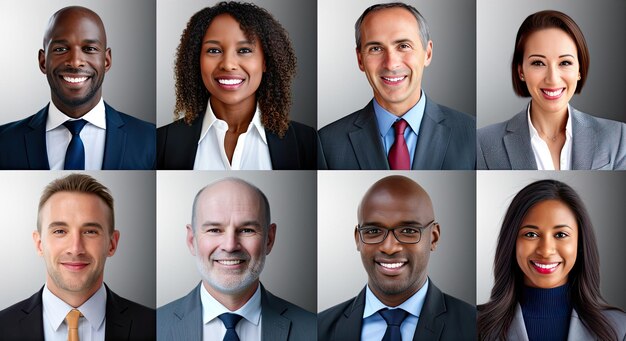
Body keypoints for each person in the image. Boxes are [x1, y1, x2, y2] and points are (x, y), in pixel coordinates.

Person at [157, 1, 317, 170]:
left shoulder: (306, 141)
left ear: (265, 61)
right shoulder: (162, 141)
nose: (228, 64)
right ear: (197, 60)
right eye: (214, 50)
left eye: (244, 50)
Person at [318, 3, 475, 170]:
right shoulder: (327, 143)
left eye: (403, 46)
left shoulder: (472, 133)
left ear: (427, 53)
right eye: (376, 48)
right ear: (360, 60)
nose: (391, 64)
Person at [318, 175, 475, 340]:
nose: (389, 247)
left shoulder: (473, 325)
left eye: (408, 231)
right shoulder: (321, 328)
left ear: (433, 238)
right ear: (358, 239)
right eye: (373, 231)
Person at [0, 174, 155, 340]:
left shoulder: (152, 326)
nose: (75, 249)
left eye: (90, 232)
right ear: (39, 244)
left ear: (112, 244)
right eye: (60, 231)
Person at [157, 178, 316, 340]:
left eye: (247, 230)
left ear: (269, 239)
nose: (230, 245)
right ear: (192, 240)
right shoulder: (155, 325)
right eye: (214, 230)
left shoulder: (312, 329)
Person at [0, 6, 155, 170]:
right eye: (60, 49)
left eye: (89, 49)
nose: (75, 62)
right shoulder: (4, 141)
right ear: (43, 61)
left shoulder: (150, 139)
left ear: (107, 61)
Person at [477, 10, 626, 170]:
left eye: (565, 63)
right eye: (538, 63)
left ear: (579, 70)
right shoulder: (484, 143)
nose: (553, 79)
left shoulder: (618, 136)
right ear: (521, 71)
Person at [478, 179, 626, 340]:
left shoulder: (619, 328)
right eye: (531, 234)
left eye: (561, 235)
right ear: (512, 242)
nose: (546, 251)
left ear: (580, 243)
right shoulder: (474, 324)